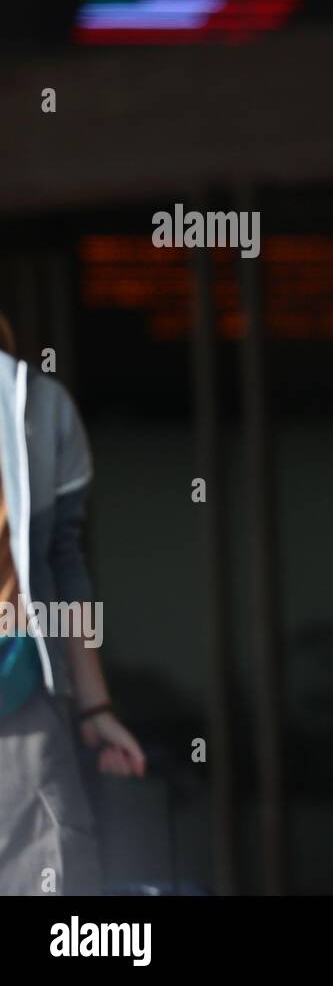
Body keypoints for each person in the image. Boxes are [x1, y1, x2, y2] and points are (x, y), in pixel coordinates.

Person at [0, 312, 147, 896]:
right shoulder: (39, 401)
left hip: (20, 697)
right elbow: (66, 565)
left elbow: (64, 564)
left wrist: (93, 708)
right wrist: (92, 706)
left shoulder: (39, 404)